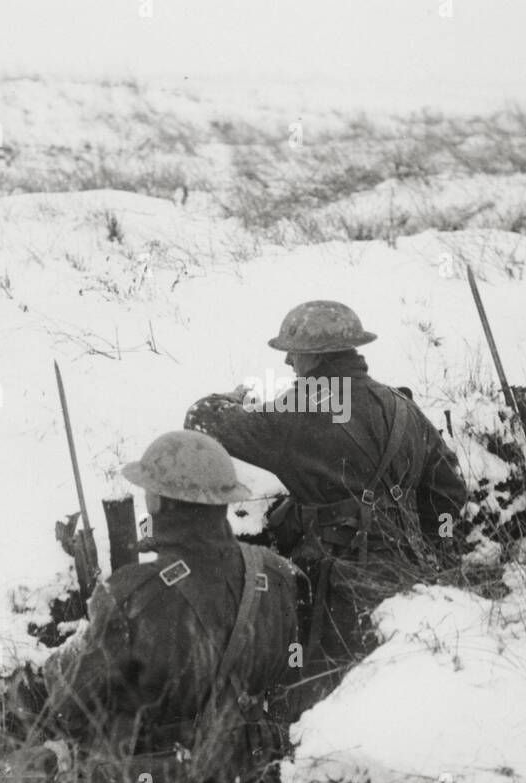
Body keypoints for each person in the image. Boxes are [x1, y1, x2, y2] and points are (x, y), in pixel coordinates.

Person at [184, 300, 467, 705]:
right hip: (407, 578)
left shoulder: (301, 409)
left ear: (315, 357)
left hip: (338, 586)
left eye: (293, 351)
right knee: (402, 687)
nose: (286, 360)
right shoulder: (402, 408)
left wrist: (232, 399)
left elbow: (203, 419)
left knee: (329, 695)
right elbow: (449, 493)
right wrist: (410, 540)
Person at [38, 430, 304, 783]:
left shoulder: (135, 595)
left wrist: (68, 653)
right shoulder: (278, 575)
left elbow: (67, 704)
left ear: (157, 501)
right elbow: (289, 680)